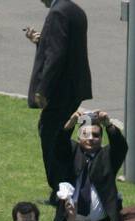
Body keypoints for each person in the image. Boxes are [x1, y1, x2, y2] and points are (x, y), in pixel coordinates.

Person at [26, 0, 92, 192]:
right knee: (59, 135)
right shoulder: (74, 10)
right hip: (73, 88)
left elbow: (56, 55)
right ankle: (67, 183)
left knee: (51, 136)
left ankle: (60, 188)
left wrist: (43, 89)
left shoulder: (58, 13)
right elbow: (63, 45)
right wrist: (40, 41)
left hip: (60, 91)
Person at [53, 110, 127, 221]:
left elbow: (120, 146)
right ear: (78, 137)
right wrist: (72, 122)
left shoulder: (107, 157)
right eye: (85, 134)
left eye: (96, 135)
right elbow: (58, 144)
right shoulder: (72, 152)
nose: (91, 138)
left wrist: (108, 124)